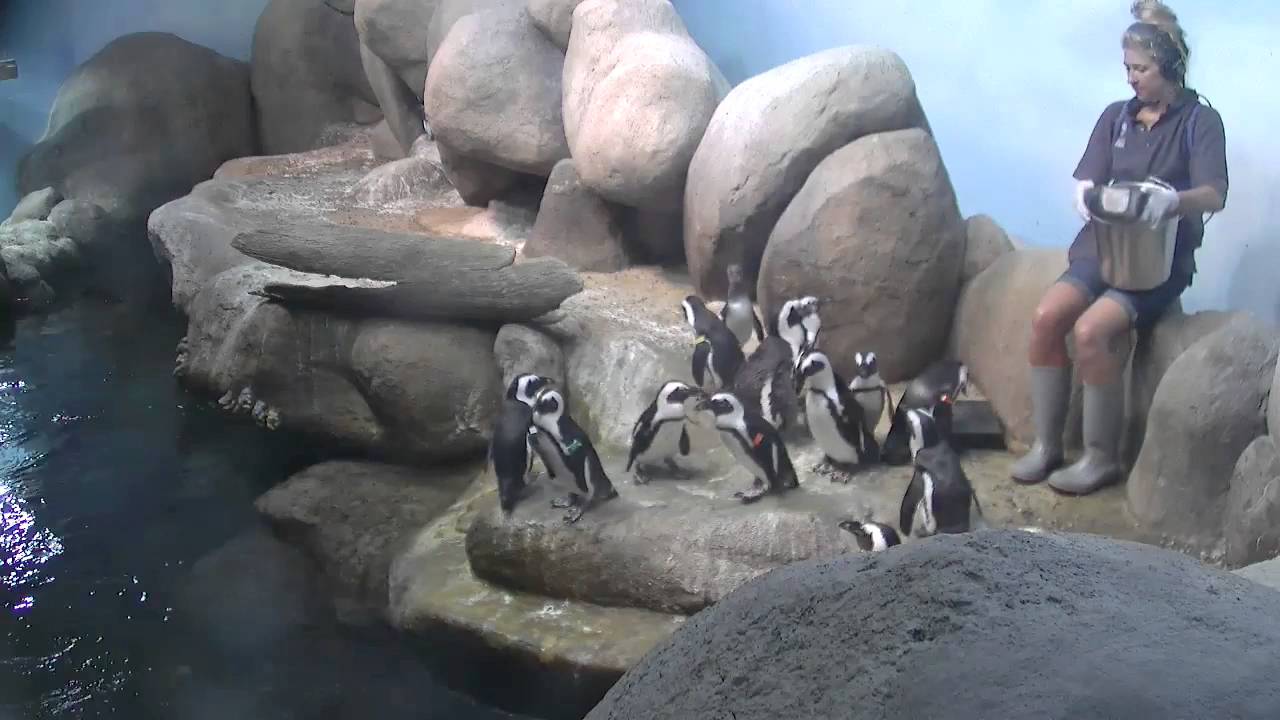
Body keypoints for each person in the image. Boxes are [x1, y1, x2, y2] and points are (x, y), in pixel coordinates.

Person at [1010, 0, 1228, 495]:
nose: (1131, 78)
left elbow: (1215, 193)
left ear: (1167, 67)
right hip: (1101, 247)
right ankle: (1047, 446)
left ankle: (1100, 457)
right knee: (1048, 317)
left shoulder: (1199, 122)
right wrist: (1085, 193)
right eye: (1127, 67)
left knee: (1091, 331)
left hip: (1156, 260)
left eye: (1141, 69)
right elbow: (1089, 173)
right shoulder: (1116, 117)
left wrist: (1172, 202)